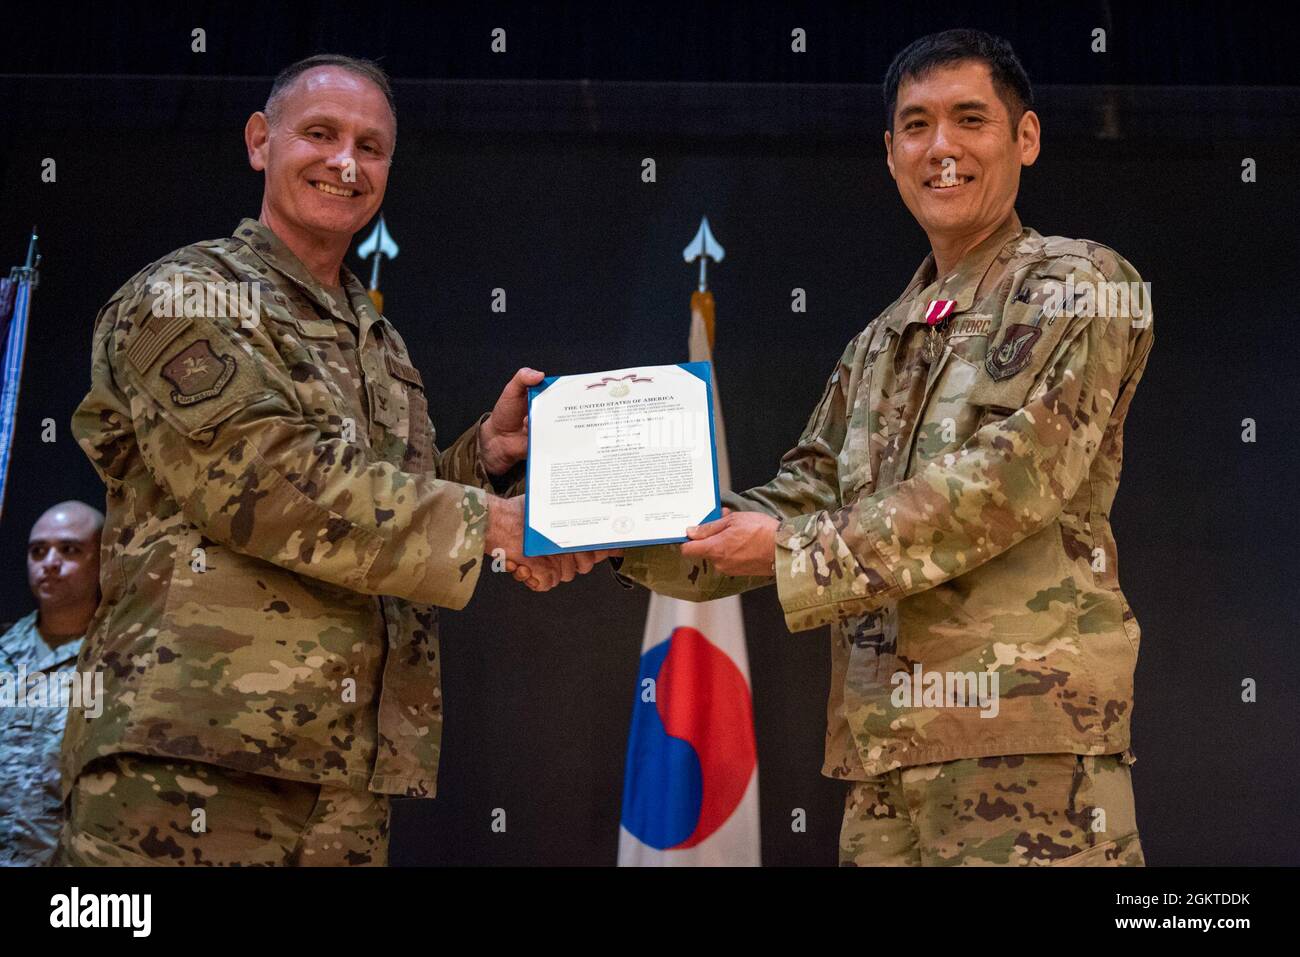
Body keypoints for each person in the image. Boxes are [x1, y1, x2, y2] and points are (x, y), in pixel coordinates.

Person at [592, 30, 1154, 866]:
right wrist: (607, 525)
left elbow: (1006, 482)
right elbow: (797, 500)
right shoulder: (877, 343)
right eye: (917, 126)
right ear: (891, 153)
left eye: (971, 119)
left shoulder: (1084, 283)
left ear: (1025, 138)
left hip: (1025, 750)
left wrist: (792, 547)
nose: (942, 149)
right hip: (880, 761)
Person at [59, 54, 604, 867]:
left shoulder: (375, 337)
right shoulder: (188, 294)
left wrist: (481, 458)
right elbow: (264, 482)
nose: (346, 162)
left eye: (371, 146)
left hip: (345, 773)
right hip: (190, 762)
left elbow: (379, 520)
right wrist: (495, 524)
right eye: (320, 134)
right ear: (259, 141)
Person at [0, 501, 103, 866]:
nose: (50, 562)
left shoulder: (119, 660)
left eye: (70, 549)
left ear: (103, 559)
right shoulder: (4, 650)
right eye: (38, 551)